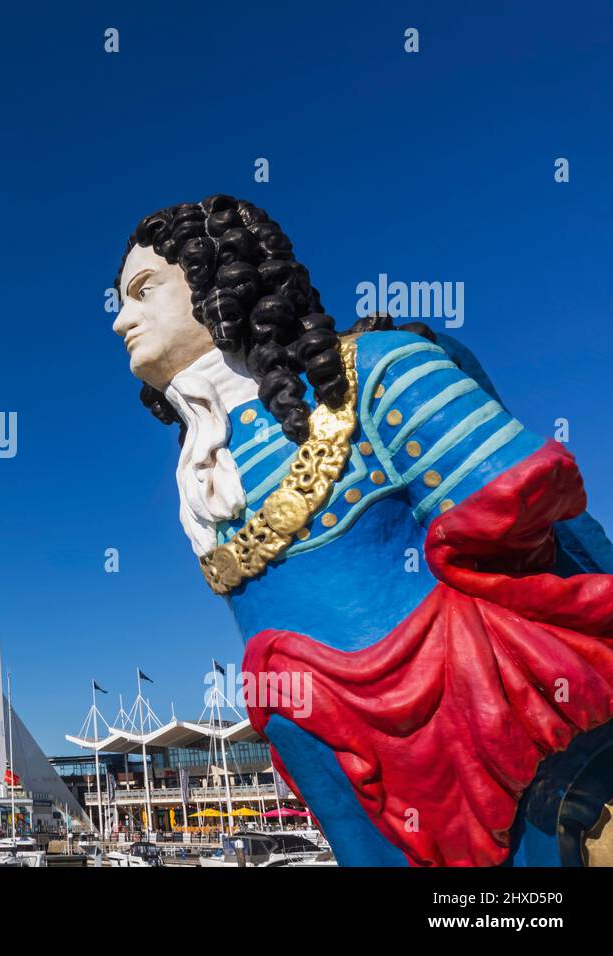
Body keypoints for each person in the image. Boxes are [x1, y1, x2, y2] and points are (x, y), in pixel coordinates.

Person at [111, 195, 613, 866]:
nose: (120, 319)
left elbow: (520, 504)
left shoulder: (373, 372)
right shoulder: (203, 470)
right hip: (327, 759)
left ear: (219, 278)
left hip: (475, 724)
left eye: (145, 291)